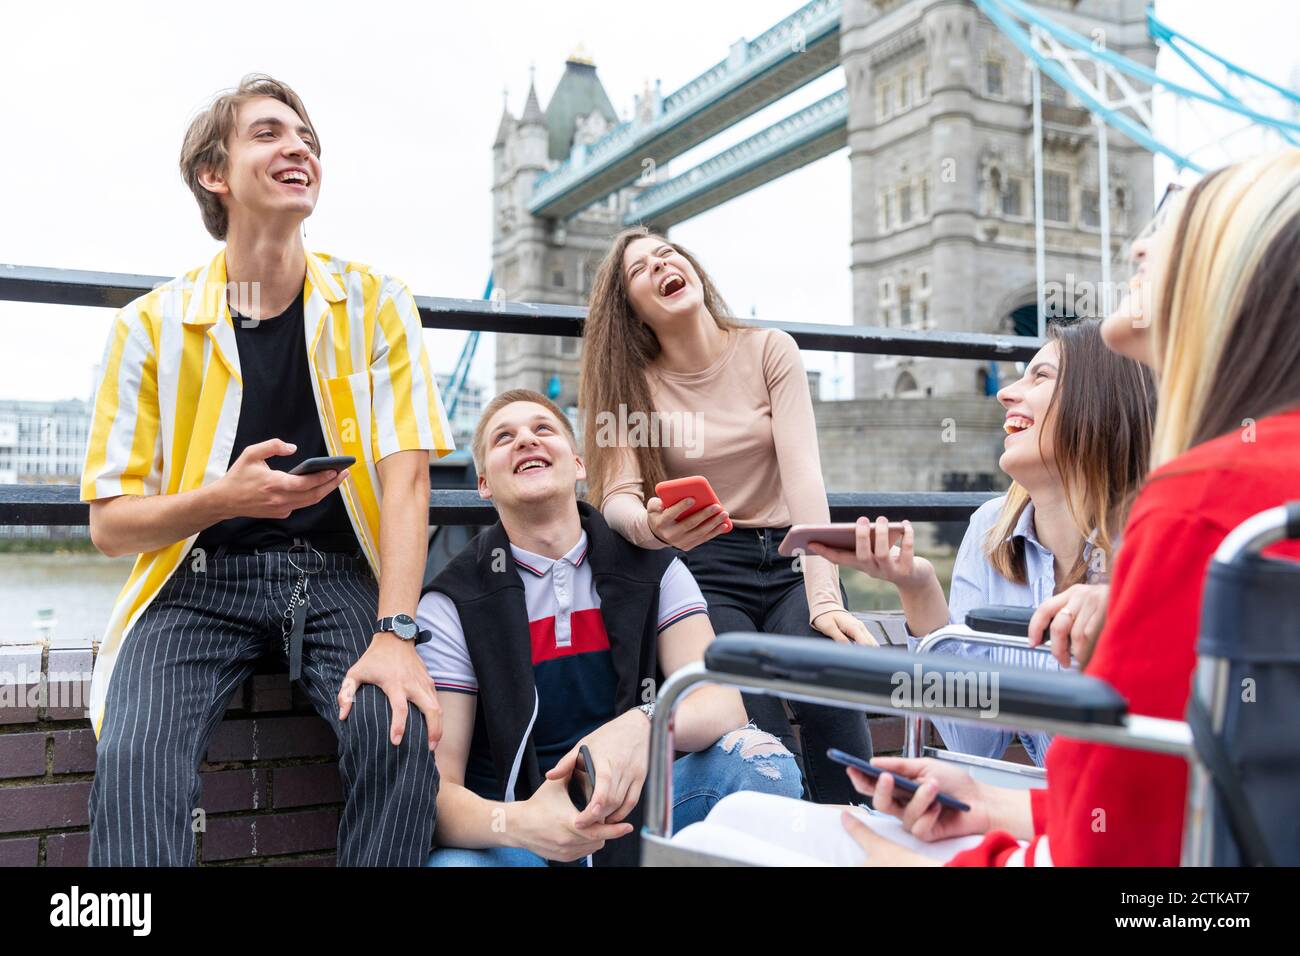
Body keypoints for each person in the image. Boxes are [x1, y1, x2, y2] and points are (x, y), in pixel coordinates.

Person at [841, 149, 1300, 866]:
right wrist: (989, 806)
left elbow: (1127, 860)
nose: (1138, 245)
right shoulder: (1249, 488)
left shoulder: (1199, 506)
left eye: (1172, 228)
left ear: (1231, 277)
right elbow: (1184, 789)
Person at [81, 75, 454, 866]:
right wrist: (224, 498)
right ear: (215, 175)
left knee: (400, 731)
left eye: (307, 138)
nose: (299, 148)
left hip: (334, 575)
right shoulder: (148, 328)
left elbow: (407, 479)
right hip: (196, 580)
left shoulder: (377, 303)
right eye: (269, 133)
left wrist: (395, 630)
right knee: (134, 757)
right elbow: (110, 528)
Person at [417, 390, 802, 866]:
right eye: (504, 437)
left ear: (578, 465)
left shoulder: (657, 571)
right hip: (521, 835)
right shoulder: (450, 603)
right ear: (483, 485)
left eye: (542, 430)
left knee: (763, 763)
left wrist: (643, 724)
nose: (524, 441)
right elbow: (438, 794)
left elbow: (722, 703)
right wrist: (521, 825)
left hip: (637, 811)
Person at [578, 227, 874, 805]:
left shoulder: (769, 349)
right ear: (632, 312)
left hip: (792, 557)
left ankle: (859, 836)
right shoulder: (631, 384)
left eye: (667, 252)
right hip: (707, 566)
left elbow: (804, 477)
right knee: (751, 717)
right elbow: (616, 495)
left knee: (832, 684)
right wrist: (651, 527)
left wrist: (825, 599)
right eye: (639, 269)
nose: (661, 262)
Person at [809, 319, 1155, 765]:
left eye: (1041, 376)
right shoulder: (991, 531)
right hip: (1052, 809)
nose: (1005, 392)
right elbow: (972, 742)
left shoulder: (1156, 536)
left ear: (1101, 402)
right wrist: (918, 587)